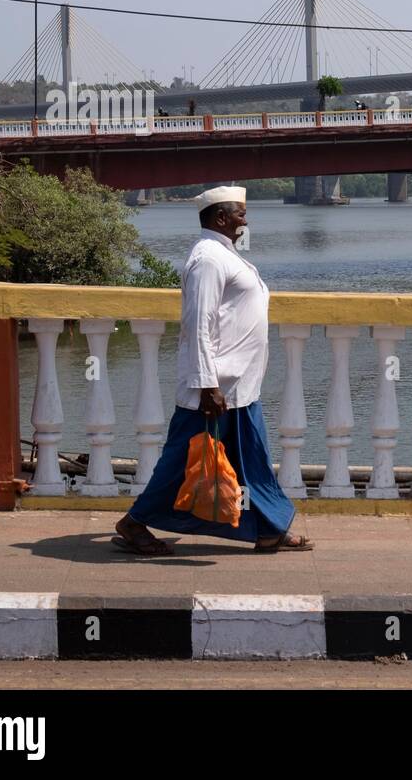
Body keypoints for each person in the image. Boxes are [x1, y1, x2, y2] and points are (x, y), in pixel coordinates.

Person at [113, 186, 312, 555]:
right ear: (221, 217)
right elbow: (198, 323)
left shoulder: (223, 253)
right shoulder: (207, 259)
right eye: (240, 213)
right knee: (181, 464)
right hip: (215, 389)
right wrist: (207, 384)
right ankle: (134, 523)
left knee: (250, 463)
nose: (246, 219)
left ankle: (267, 528)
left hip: (239, 387)